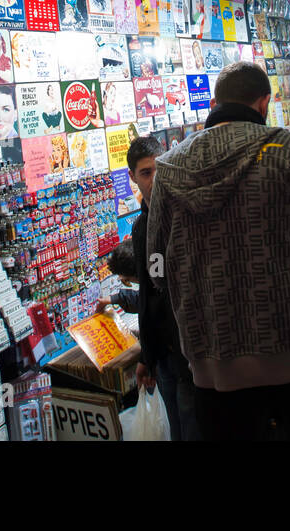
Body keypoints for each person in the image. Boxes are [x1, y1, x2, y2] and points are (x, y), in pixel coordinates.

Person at [148, 61, 290, 441]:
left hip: (216, 378)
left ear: (214, 103)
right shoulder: (287, 151)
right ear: (264, 104)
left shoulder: (169, 169)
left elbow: (156, 266)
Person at [122, 136, 198, 440]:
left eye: (158, 169)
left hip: (194, 353)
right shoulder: (141, 229)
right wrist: (148, 358)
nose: (154, 179)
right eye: (145, 173)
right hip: (166, 355)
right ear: (133, 178)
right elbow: (149, 297)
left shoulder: (186, 214)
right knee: (178, 429)